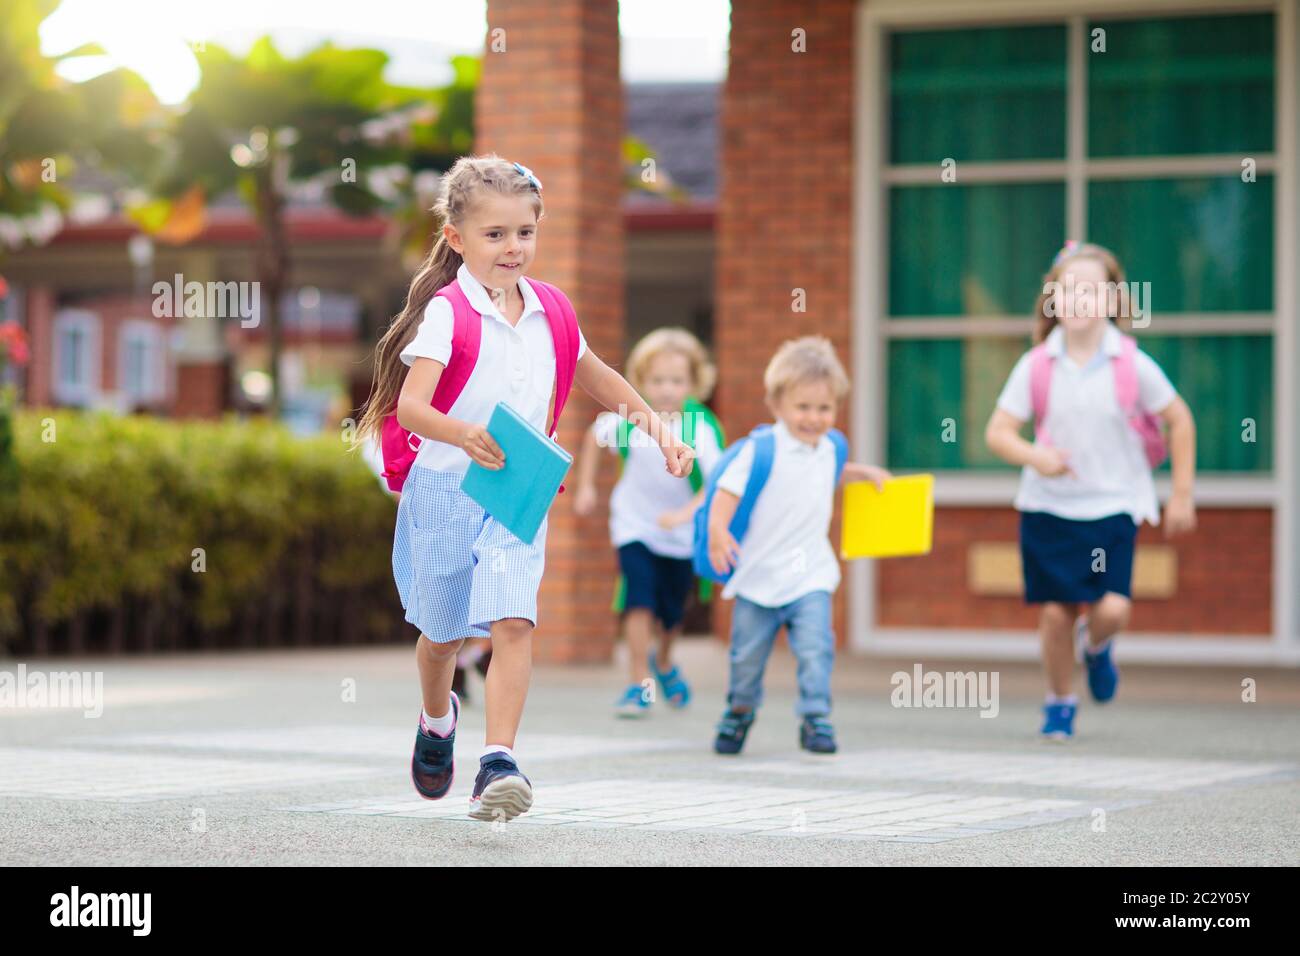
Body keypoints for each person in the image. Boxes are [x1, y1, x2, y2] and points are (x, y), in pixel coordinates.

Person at [354, 155, 695, 821]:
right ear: (456, 239)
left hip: (516, 490)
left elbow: (598, 377)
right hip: (445, 488)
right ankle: (436, 719)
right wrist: (460, 434)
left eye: (525, 232)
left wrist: (660, 431)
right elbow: (412, 408)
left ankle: (498, 761)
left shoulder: (553, 311)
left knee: (514, 619)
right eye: (495, 235)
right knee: (442, 636)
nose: (513, 248)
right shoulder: (449, 314)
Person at [984, 241, 1197, 741]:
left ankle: (1098, 648)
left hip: (1113, 506)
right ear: (1053, 299)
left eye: (1091, 290)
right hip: (1049, 509)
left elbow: (1180, 420)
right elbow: (998, 432)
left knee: (1112, 607)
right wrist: (1038, 457)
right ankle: (1059, 703)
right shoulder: (1037, 364)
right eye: (1068, 289)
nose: (1079, 299)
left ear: (1112, 302)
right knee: (1056, 614)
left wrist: (1182, 494)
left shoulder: (1131, 364)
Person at [704, 336, 890, 755]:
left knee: (815, 648)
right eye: (802, 408)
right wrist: (718, 532)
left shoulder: (830, 449)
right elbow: (725, 495)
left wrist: (862, 474)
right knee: (746, 657)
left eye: (823, 409)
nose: (813, 418)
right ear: (777, 404)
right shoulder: (760, 450)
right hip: (758, 577)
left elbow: (831, 474)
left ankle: (816, 718)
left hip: (811, 575)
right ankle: (740, 710)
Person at [572, 328, 724, 717]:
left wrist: (684, 515)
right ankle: (639, 683)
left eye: (677, 381)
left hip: (680, 533)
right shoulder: (632, 419)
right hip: (634, 525)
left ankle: (666, 659)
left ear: (693, 383)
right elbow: (593, 436)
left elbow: (718, 484)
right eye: (658, 381)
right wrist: (586, 486)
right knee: (638, 599)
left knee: (672, 611)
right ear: (641, 382)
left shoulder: (700, 428)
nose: (667, 389)